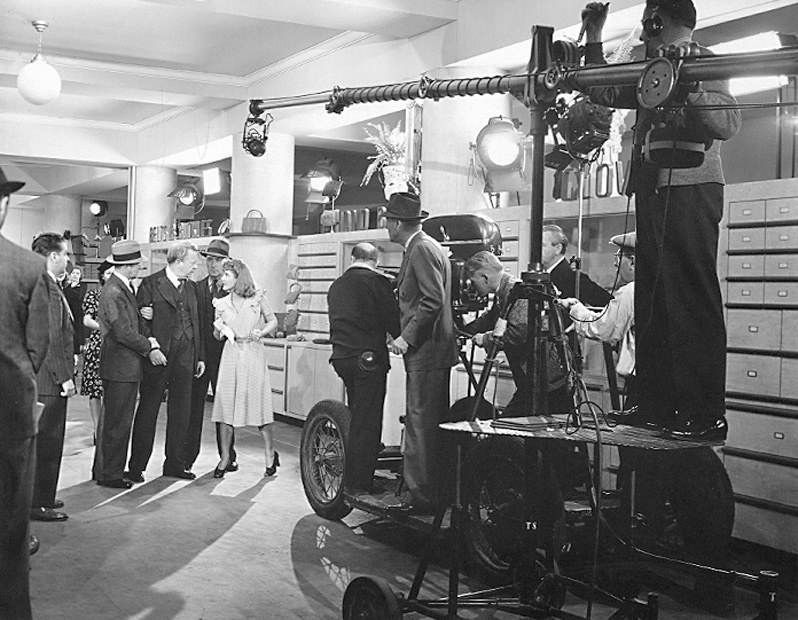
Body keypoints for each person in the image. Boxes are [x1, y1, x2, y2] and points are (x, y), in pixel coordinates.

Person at [581, 0, 741, 440]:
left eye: (648, 17)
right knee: (652, 300)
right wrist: (594, 38)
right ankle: (654, 403)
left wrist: (687, 82)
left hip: (691, 185)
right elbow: (602, 91)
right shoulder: (643, 63)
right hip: (651, 185)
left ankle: (703, 411)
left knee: (691, 297)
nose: (643, 26)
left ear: (658, 20)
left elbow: (727, 123)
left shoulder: (705, 61)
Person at [384, 192, 458, 513]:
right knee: (427, 423)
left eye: (388, 219)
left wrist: (406, 338)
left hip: (426, 352)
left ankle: (421, 497)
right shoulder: (421, 248)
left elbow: (431, 300)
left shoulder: (421, 249)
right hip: (431, 353)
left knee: (420, 423)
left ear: (398, 223)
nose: (385, 225)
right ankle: (428, 492)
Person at [0, 167, 51, 620]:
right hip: (9, 415)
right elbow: (37, 345)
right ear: (3, 206)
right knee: (11, 526)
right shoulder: (28, 267)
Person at [127, 241, 205, 482]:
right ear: (178, 261)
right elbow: (141, 322)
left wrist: (199, 356)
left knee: (182, 411)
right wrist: (151, 348)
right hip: (159, 355)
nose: (195, 268)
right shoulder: (151, 283)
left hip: (187, 353)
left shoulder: (191, 288)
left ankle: (175, 464)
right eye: (192, 263)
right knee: (149, 409)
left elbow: (196, 322)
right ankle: (137, 466)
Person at [327, 242, 400, 494]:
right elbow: (394, 320)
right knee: (368, 422)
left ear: (352, 257)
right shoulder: (377, 282)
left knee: (357, 416)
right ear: (375, 261)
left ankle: (353, 474)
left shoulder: (337, 285)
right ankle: (360, 482)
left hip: (341, 358)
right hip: (367, 359)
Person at [463, 250, 570, 416]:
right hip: (532, 381)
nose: (472, 287)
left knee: (513, 428)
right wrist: (464, 330)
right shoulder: (504, 291)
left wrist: (484, 339)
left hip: (546, 382)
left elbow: (519, 333)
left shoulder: (517, 292)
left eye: (472, 281)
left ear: (485, 277)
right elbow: (491, 318)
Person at [94, 241, 157, 489]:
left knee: (114, 422)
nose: (140, 267)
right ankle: (110, 475)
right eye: (137, 264)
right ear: (126, 266)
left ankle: (103, 470)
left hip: (122, 366)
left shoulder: (121, 288)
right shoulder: (115, 292)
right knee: (117, 425)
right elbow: (122, 332)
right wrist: (148, 345)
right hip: (121, 367)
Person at [210, 259, 279, 478]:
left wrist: (263, 332)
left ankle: (270, 454)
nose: (222, 279)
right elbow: (216, 333)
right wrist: (220, 331)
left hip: (253, 351)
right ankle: (225, 458)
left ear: (239, 278)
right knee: (225, 407)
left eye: (227, 275)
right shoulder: (221, 303)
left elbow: (273, 321)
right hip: (231, 353)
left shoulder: (257, 298)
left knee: (258, 405)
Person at [559, 232, 637, 405]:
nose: (615, 264)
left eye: (618, 256)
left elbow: (604, 329)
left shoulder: (631, 291)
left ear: (632, 261)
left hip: (640, 389)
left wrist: (575, 309)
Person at [30, 232, 76, 522]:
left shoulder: (48, 285)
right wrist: (64, 377)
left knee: (49, 443)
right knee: (47, 444)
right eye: (66, 254)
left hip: (45, 378)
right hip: (49, 380)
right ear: (54, 256)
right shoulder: (46, 286)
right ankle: (37, 504)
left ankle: (43, 497)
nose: (69, 260)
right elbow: (52, 337)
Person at [183, 238, 236, 474]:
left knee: (224, 409)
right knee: (194, 408)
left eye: (217, 260)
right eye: (209, 259)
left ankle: (228, 456)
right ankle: (187, 457)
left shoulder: (233, 290)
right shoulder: (196, 288)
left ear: (227, 262)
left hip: (225, 355)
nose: (212, 265)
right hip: (200, 357)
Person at [81, 261, 114, 442]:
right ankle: (97, 428)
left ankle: (106, 429)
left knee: (111, 390)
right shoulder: (93, 295)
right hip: (97, 346)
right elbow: (87, 320)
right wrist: (104, 328)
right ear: (102, 276)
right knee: (95, 390)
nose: (111, 277)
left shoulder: (121, 295)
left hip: (115, 347)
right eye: (108, 273)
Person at [542, 224, 612, 309]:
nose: (536, 250)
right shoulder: (542, 278)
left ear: (558, 249)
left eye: (542, 245)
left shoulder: (576, 280)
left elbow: (610, 307)